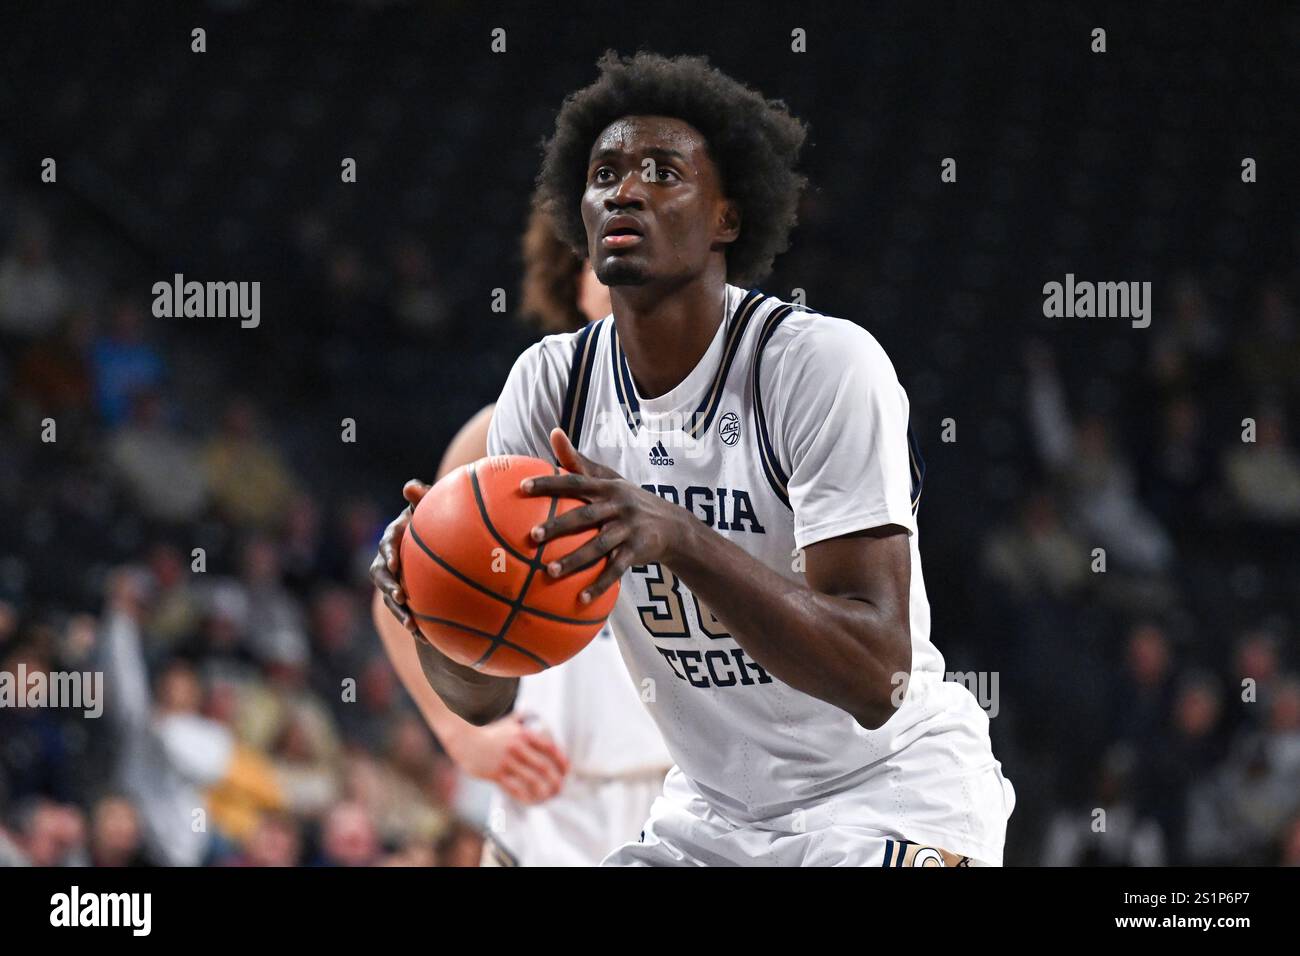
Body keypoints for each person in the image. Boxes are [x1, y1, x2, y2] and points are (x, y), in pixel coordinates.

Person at [373, 51, 1014, 867]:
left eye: (662, 172)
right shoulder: (551, 388)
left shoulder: (819, 368)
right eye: (604, 173)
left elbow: (874, 676)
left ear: (727, 219)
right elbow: (489, 691)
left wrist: (677, 536)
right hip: (712, 818)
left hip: (885, 795)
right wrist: (432, 606)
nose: (625, 191)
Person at [371, 200, 671, 866]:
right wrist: (460, 734)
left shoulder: (747, 426)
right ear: (572, 276)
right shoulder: (506, 428)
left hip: (704, 791)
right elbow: (401, 599)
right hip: (557, 799)